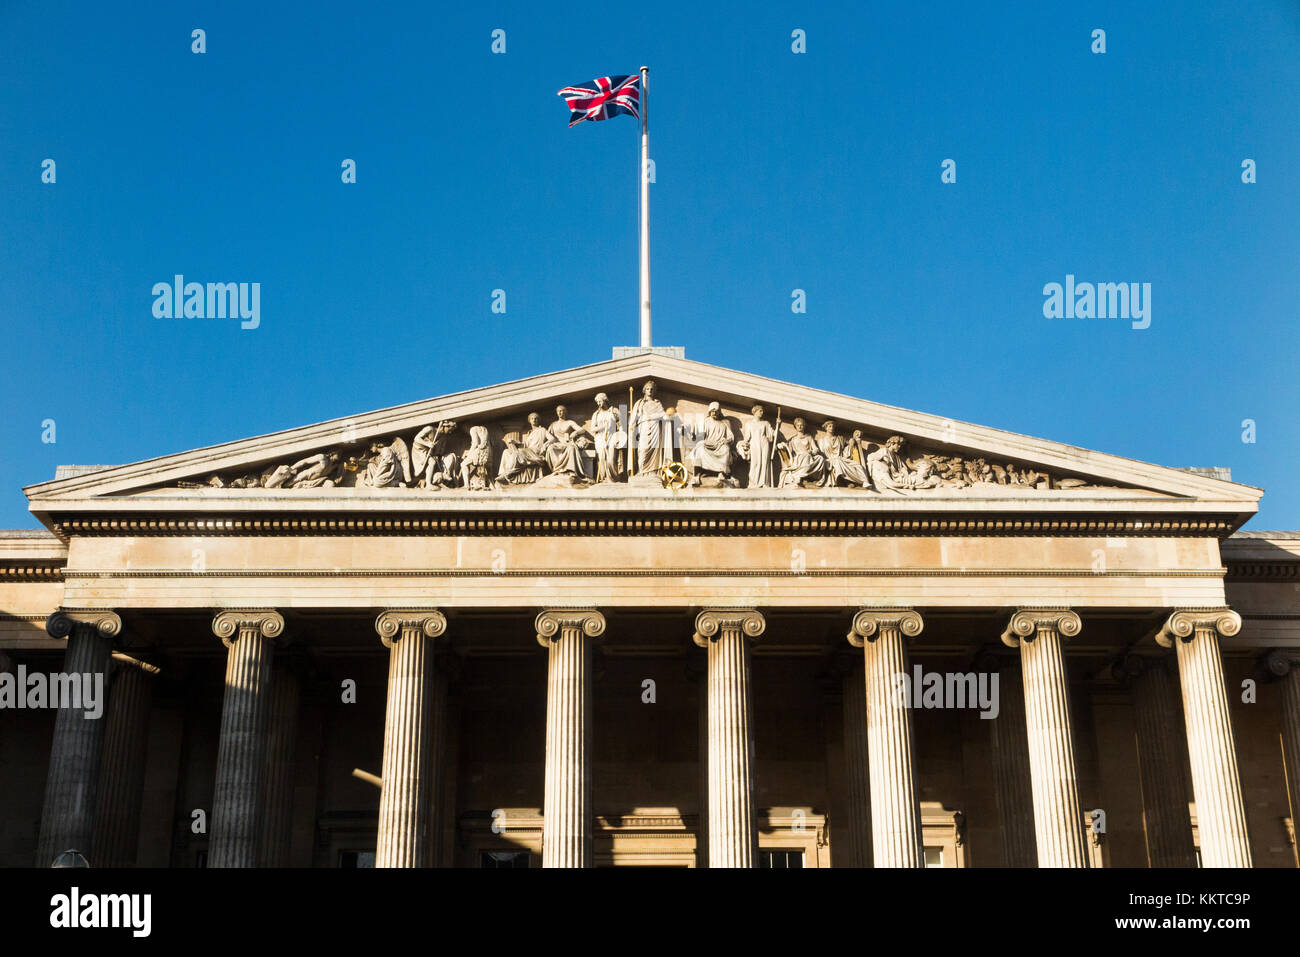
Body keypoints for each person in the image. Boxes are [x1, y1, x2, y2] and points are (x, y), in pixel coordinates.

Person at [688, 402, 737, 486]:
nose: (714, 413)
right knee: (700, 447)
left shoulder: (725, 422)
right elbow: (699, 435)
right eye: (712, 411)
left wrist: (726, 440)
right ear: (709, 412)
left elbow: (731, 436)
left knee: (726, 449)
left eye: (716, 411)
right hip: (708, 444)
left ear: (719, 411)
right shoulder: (705, 421)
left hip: (720, 444)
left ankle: (722, 473)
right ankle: (696, 475)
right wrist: (694, 434)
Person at [629, 380, 671, 476]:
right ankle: (642, 471)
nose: (650, 390)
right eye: (648, 389)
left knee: (655, 449)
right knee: (643, 449)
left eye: (652, 389)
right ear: (644, 390)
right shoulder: (639, 403)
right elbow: (634, 418)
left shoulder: (657, 403)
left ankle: (653, 472)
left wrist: (669, 417)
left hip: (655, 429)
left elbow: (663, 415)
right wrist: (632, 426)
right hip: (643, 427)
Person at [817, 420, 871, 488]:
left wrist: (854, 439)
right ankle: (845, 480)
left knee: (857, 465)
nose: (831, 428)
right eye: (829, 426)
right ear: (826, 428)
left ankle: (863, 482)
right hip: (828, 461)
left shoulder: (840, 438)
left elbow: (849, 445)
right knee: (838, 462)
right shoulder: (821, 440)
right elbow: (820, 454)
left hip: (841, 459)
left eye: (833, 426)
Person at [777, 417, 826, 488]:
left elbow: (815, 449)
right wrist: (781, 445)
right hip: (798, 458)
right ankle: (800, 476)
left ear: (804, 426)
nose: (800, 427)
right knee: (805, 456)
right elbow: (788, 451)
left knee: (820, 458)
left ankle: (801, 476)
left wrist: (811, 452)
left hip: (809, 456)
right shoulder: (792, 439)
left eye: (801, 425)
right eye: (798, 425)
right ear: (795, 427)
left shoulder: (809, 437)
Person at [737, 404, 776, 488]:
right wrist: (742, 444)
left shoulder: (766, 423)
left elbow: (772, 435)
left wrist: (778, 426)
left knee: (764, 462)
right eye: (760, 411)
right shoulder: (749, 424)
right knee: (755, 463)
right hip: (754, 444)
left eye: (762, 411)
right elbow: (747, 437)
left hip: (764, 444)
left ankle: (764, 483)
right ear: (755, 411)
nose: (762, 412)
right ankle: (753, 483)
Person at [589, 393, 624, 483]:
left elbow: (621, 425)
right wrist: (602, 427)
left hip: (612, 437)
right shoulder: (596, 414)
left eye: (600, 401)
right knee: (602, 459)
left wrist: (619, 437)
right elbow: (592, 428)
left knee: (611, 459)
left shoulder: (614, 411)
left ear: (605, 400)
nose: (598, 403)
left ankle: (613, 479)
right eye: (597, 402)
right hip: (600, 439)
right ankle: (603, 479)